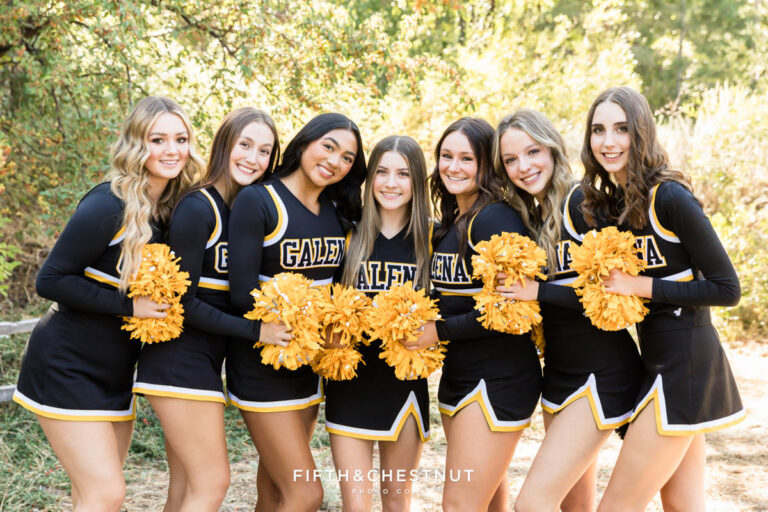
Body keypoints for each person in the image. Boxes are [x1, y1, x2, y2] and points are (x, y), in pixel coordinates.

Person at [13, 96, 203, 511]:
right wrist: (130, 307)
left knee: (95, 497)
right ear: (137, 144)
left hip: (117, 371)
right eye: (158, 139)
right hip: (68, 364)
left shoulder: (172, 210)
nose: (172, 150)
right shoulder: (108, 203)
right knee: (106, 494)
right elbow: (51, 279)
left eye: (181, 138)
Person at [575, 87, 744, 512]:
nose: (608, 141)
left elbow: (727, 288)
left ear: (641, 133)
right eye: (598, 130)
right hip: (656, 360)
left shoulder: (669, 197)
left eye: (621, 128)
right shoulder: (615, 204)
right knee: (682, 506)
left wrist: (640, 286)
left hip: (686, 362)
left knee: (615, 506)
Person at [491, 109, 643, 512]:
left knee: (532, 503)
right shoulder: (533, 216)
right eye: (510, 160)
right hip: (558, 375)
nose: (523, 167)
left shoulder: (582, 203)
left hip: (601, 372)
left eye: (532, 152)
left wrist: (535, 291)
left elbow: (611, 293)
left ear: (553, 150)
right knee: (573, 507)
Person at [133, 107, 280, 511]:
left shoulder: (246, 211)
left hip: (203, 362)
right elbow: (182, 304)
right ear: (223, 146)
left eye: (264, 151)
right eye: (244, 145)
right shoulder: (199, 207)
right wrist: (257, 332)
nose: (253, 158)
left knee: (184, 490)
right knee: (213, 482)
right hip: (179, 360)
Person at [228, 112, 367, 512]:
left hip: (311, 366)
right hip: (265, 365)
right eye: (329, 146)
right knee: (306, 493)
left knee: (275, 491)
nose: (335, 161)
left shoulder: (336, 209)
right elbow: (241, 293)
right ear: (305, 143)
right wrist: (305, 321)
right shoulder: (260, 200)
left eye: (347, 157)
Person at [408, 117, 542, 511]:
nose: (453, 166)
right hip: (461, 377)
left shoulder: (494, 219)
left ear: (487, 165)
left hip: (497, 381)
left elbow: (510, 309)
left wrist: (439, 332)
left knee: (459, 505)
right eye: (446, 156)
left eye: (467, 158)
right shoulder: (452, 222)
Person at [324, 135, 432, 511]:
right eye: (382, 171)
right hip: (348, 388)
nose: (390, 182)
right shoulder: (345, 234)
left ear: (418, 181)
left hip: (403, 389)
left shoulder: (433, 239)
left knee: (396, 500)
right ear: (369, 179)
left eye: (403, 174)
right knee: (356, 504)